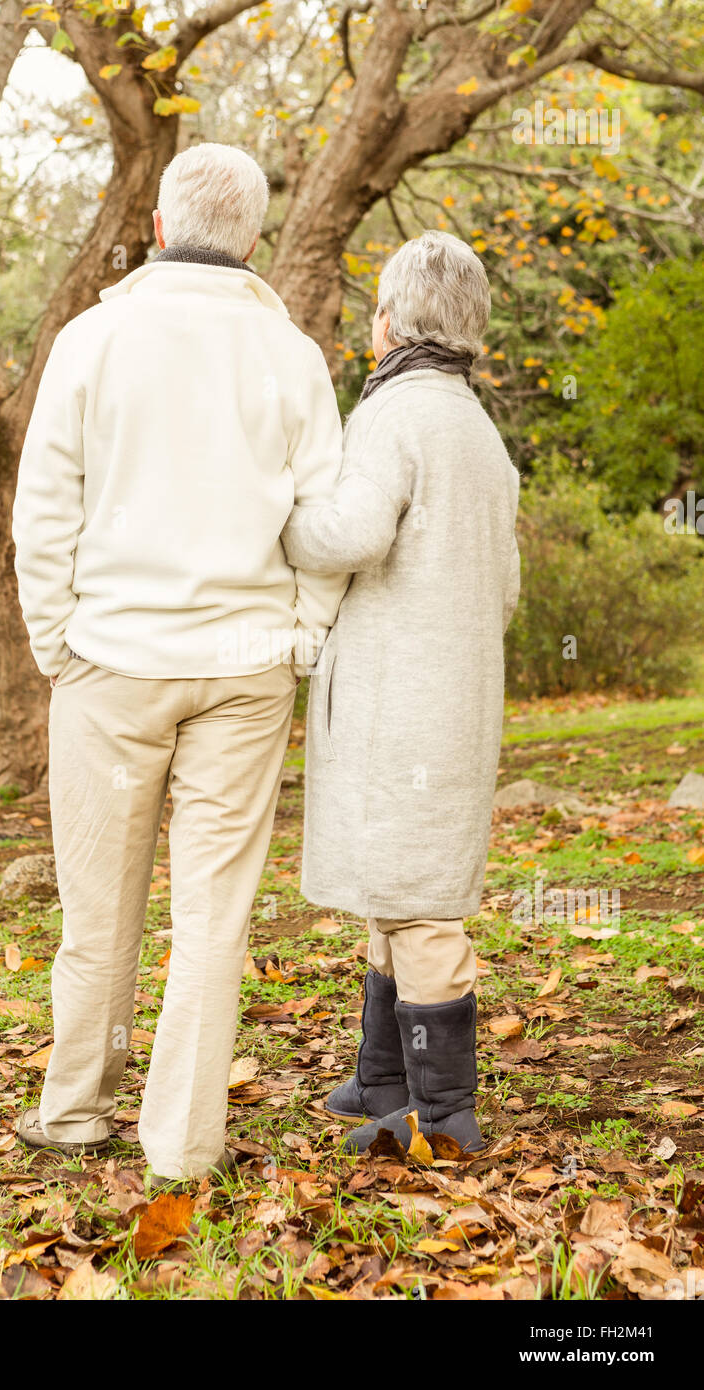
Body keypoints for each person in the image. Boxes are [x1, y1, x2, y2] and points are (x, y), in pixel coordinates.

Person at [11, 143, 349, 1183]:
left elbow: (44, 512)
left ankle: (73, 1110)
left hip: (111, 661)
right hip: (244, 667)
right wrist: (301, 636)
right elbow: (325, 521)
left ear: (160, 227)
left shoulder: (92, 338)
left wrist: (55, 643)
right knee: (213, 914)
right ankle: (182, 1145)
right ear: (253, 238)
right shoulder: (292, 357)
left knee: (98, 905)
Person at [282, 231, 520, 1154]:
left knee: (418, 903)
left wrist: (284, 520)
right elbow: (503, 589)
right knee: (400, 884)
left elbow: (352, 533)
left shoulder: (392, 412)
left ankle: (441, 1112)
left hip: (401, 702)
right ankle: (380, 1078)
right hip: (455, 696)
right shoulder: (477, 428)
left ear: (389, 322)